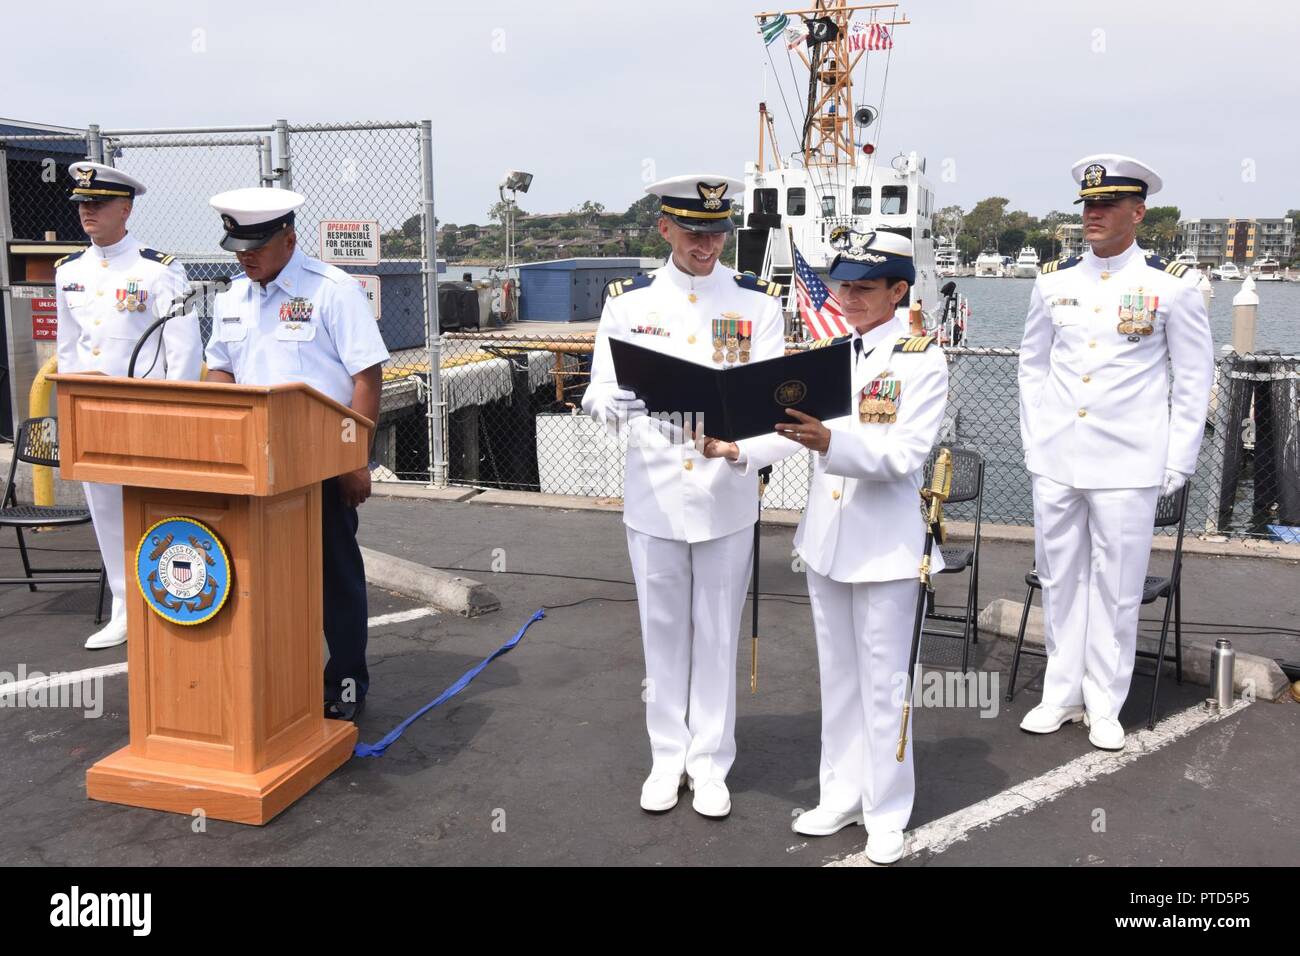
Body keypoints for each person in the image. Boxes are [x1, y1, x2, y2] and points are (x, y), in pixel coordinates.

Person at [701, 230, 947, 864]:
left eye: (865, 287)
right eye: (842, 286)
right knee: (838, 679)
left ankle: (887, 810)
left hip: (888, 549)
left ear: (899, 290)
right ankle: (840, 794)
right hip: (828, 540)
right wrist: (739, 450)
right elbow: (792, 430)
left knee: (886, 684)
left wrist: (830, 445)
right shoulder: (834, 353)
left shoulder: (920, 359)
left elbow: (903, 455)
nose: (850, 297)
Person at [581, 174, 790, 818]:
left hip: (726, 495)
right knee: (662, 634)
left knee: (717, 634)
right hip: (655, 495)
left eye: (718, 232)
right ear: (666, 229)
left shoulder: (758, 304)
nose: (707, 245)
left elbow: (776, 407)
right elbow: (597, 391)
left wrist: (745, 449)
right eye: (695, 232)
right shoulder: (628, 303)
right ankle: (667, 755)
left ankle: (711, 761)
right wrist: (608, 405)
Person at [1017, 154, 1214, 750]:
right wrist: (1035, 437)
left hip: (1130, 464)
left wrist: (1177, 460)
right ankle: (1060, 693)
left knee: (1117, 584)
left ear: (1138, 211)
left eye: (1106, 205)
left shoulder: (1170, 287)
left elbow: (1194, 379)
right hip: (1057, 460)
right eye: (1088, 205)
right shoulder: (1053, 282)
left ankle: (1105, 702)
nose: (1093, 214)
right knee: (1059, 578)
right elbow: (1032, 366)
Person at [203, 187, 390, 722]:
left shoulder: (333, 290)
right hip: (250, 465)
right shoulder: (231, 297)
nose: (245, 256)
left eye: (255, 246)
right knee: (256, 580)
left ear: (289, 237)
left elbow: (365, 376)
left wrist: (355, 459)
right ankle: (274, 678)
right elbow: (221, 368)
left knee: (335, 581)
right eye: (237, 246)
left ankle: (346, 683)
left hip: (320, 462)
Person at [54, 162, 203, 649]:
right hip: (95, 410)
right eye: (82, 204)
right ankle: (123, 605)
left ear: (126, 208)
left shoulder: (157, 270)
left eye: (97, 204)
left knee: (153, 505)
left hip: (145, 409)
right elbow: (69, 346)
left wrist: (176, 414)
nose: (87, 212)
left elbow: (183, 350)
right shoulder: (69, 272)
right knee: (105, 506)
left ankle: (166, 597)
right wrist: (73, 405)